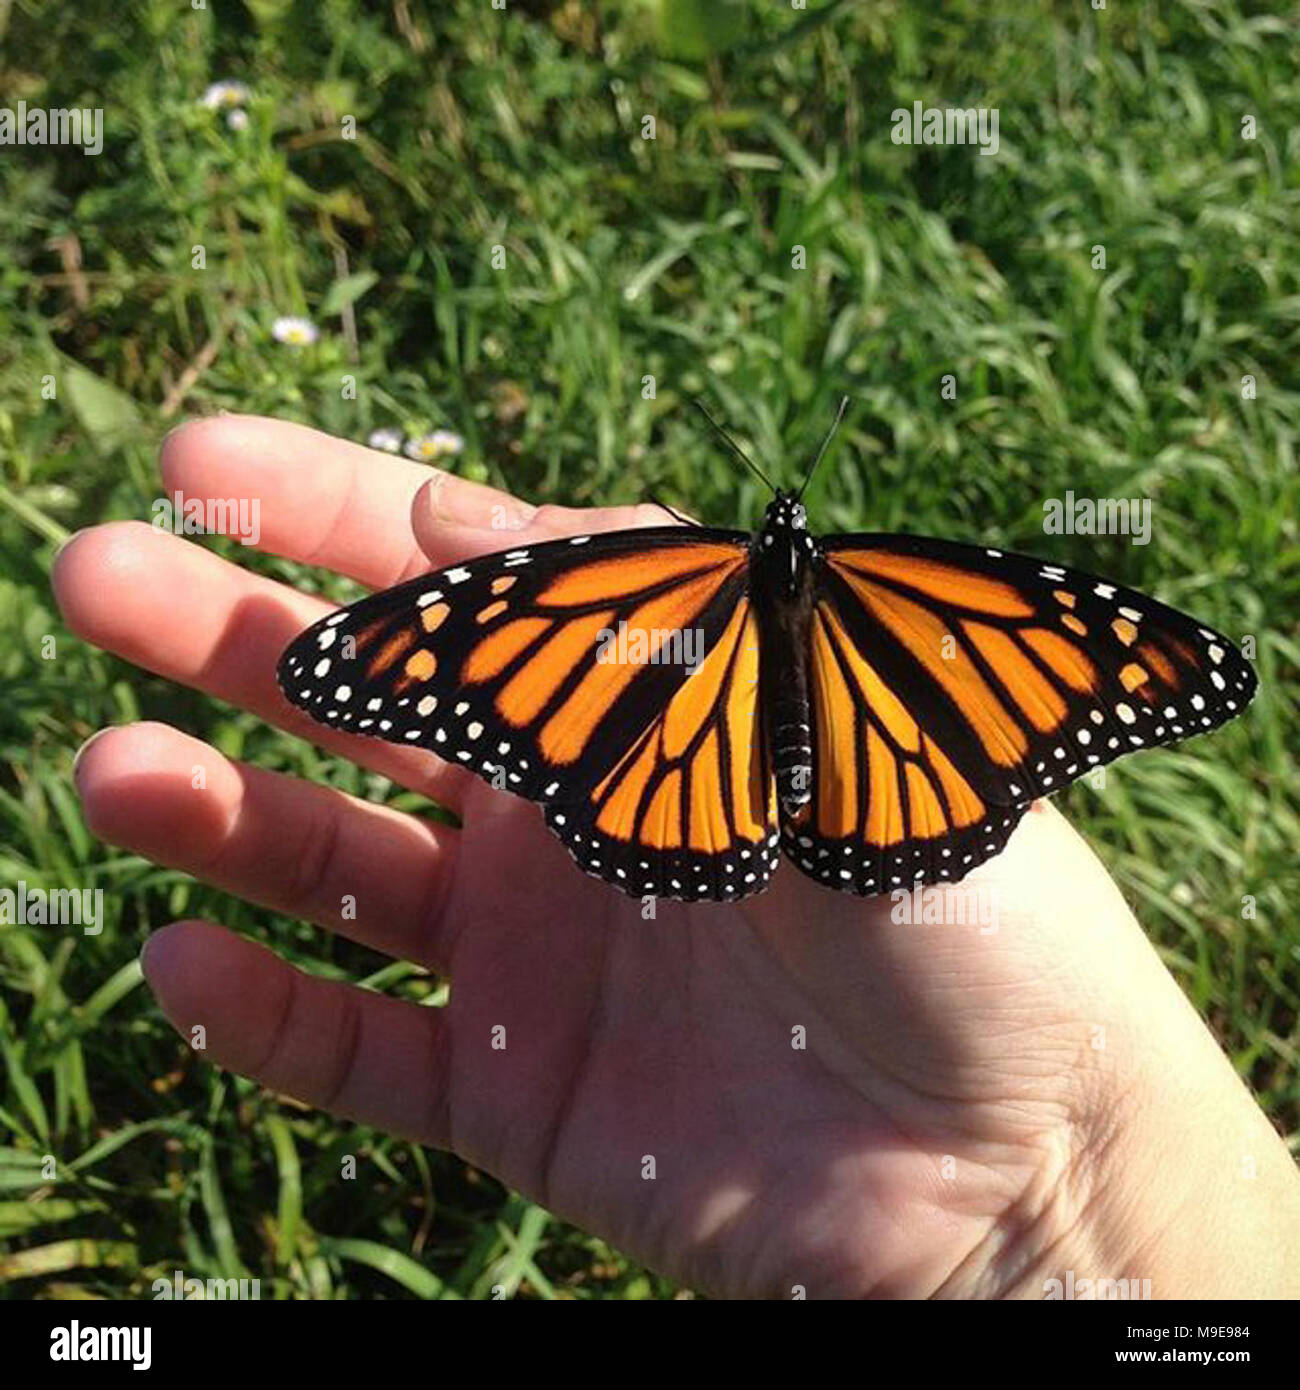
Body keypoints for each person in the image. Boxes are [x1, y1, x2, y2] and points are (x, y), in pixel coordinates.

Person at [52, 415, 1300, 1299]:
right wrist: (1057, 1220)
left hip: (699, 774)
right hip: (878, 769)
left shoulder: (637, 585)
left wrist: (1057, 1199)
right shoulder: (924, 588)